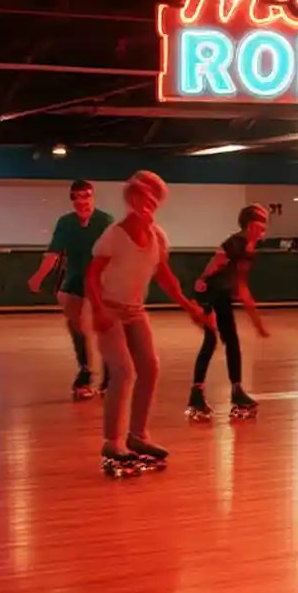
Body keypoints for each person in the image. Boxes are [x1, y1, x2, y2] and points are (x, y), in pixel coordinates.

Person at [87, 170, 211, 478]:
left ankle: (138, 436)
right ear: (131, 199)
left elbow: (164, 275)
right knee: (124, 371)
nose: (149, 202)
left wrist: (188, 305)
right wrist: (99, 310)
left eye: (154, 198)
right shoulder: (114, 234)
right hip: (110, 310)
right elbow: (91, 275)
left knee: (150, 367)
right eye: (143, 196)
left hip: (135, 310)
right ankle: (112, 443)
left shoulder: (157, 236)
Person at [28, 180, 115, 399]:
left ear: (92, 197)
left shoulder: (105, 221)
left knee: (104, 327)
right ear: (73, 199)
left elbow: (113, 253)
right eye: (77, 197)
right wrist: (39, 276)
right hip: (75, 280)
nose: (82, 201)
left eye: (86, 196)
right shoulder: (66, 223)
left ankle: (110, 376)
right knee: (77, 325)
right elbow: (53, 253)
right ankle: (85, 371)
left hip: (102, 281)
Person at [185, 204, 271, 422]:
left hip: (222, 297)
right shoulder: (233, 244)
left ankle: (237, 391)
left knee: (232, 341)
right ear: (252, 225)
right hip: (209, 295)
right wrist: (203, 307)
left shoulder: (248, 251)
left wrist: (257, 323)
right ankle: (196, 394)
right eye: (262, 224)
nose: (265, 230)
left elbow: (241, 286)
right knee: (211, 340)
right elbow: (208, 273)